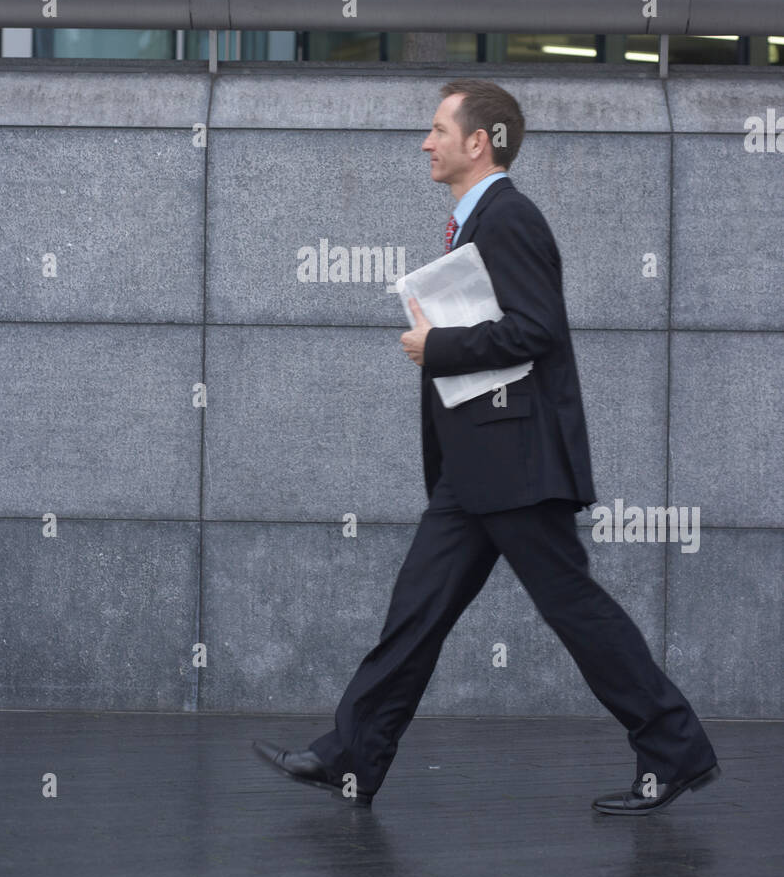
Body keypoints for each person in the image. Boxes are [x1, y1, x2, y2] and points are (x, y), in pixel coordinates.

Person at [254, 80, 720, 814]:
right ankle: (351, 758)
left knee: (577, 613)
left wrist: (438, 344)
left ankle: (676, 749)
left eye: (439, 128)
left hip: (519, 469)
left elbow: (539, 329)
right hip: (478, 472)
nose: (425, 141)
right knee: (416, 613)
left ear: (480, 142)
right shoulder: (476, 223)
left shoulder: (509, 219)